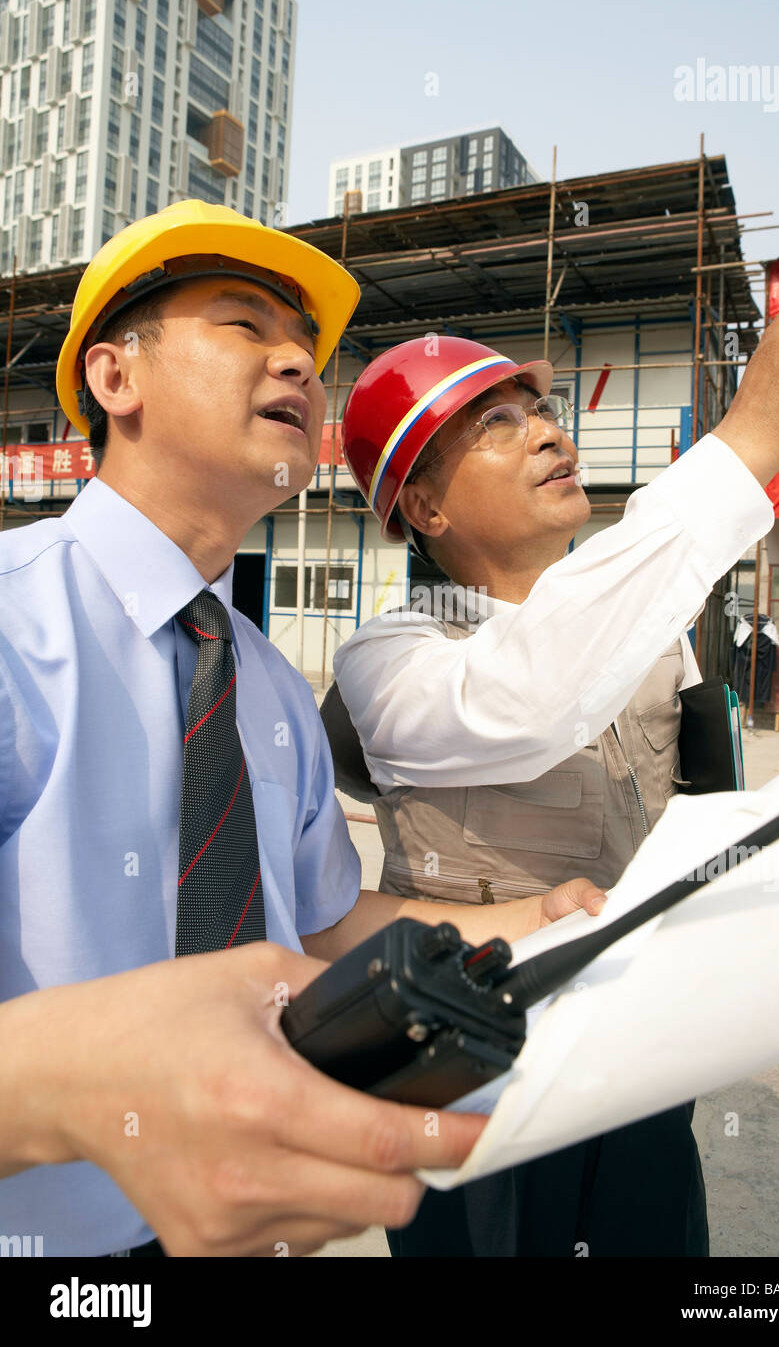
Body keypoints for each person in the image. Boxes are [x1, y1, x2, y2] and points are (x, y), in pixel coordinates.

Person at [0, 200, 605, 1258]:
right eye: (245, 325)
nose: (296, 363)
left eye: (309, 353)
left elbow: (316, 922)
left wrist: (529, 917)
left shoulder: (267, 684)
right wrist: (83, 1088)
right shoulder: (14, 625)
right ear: (115, 378)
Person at [328, 207, 779, 1255]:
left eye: (540, 406)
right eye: (492, 423)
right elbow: (526, 700)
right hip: (476, 1067)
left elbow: (705, 815)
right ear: (423, 508)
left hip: (635, 1055)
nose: (547, 429)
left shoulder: (657, 637)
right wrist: (756, 432)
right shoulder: (386, 660)